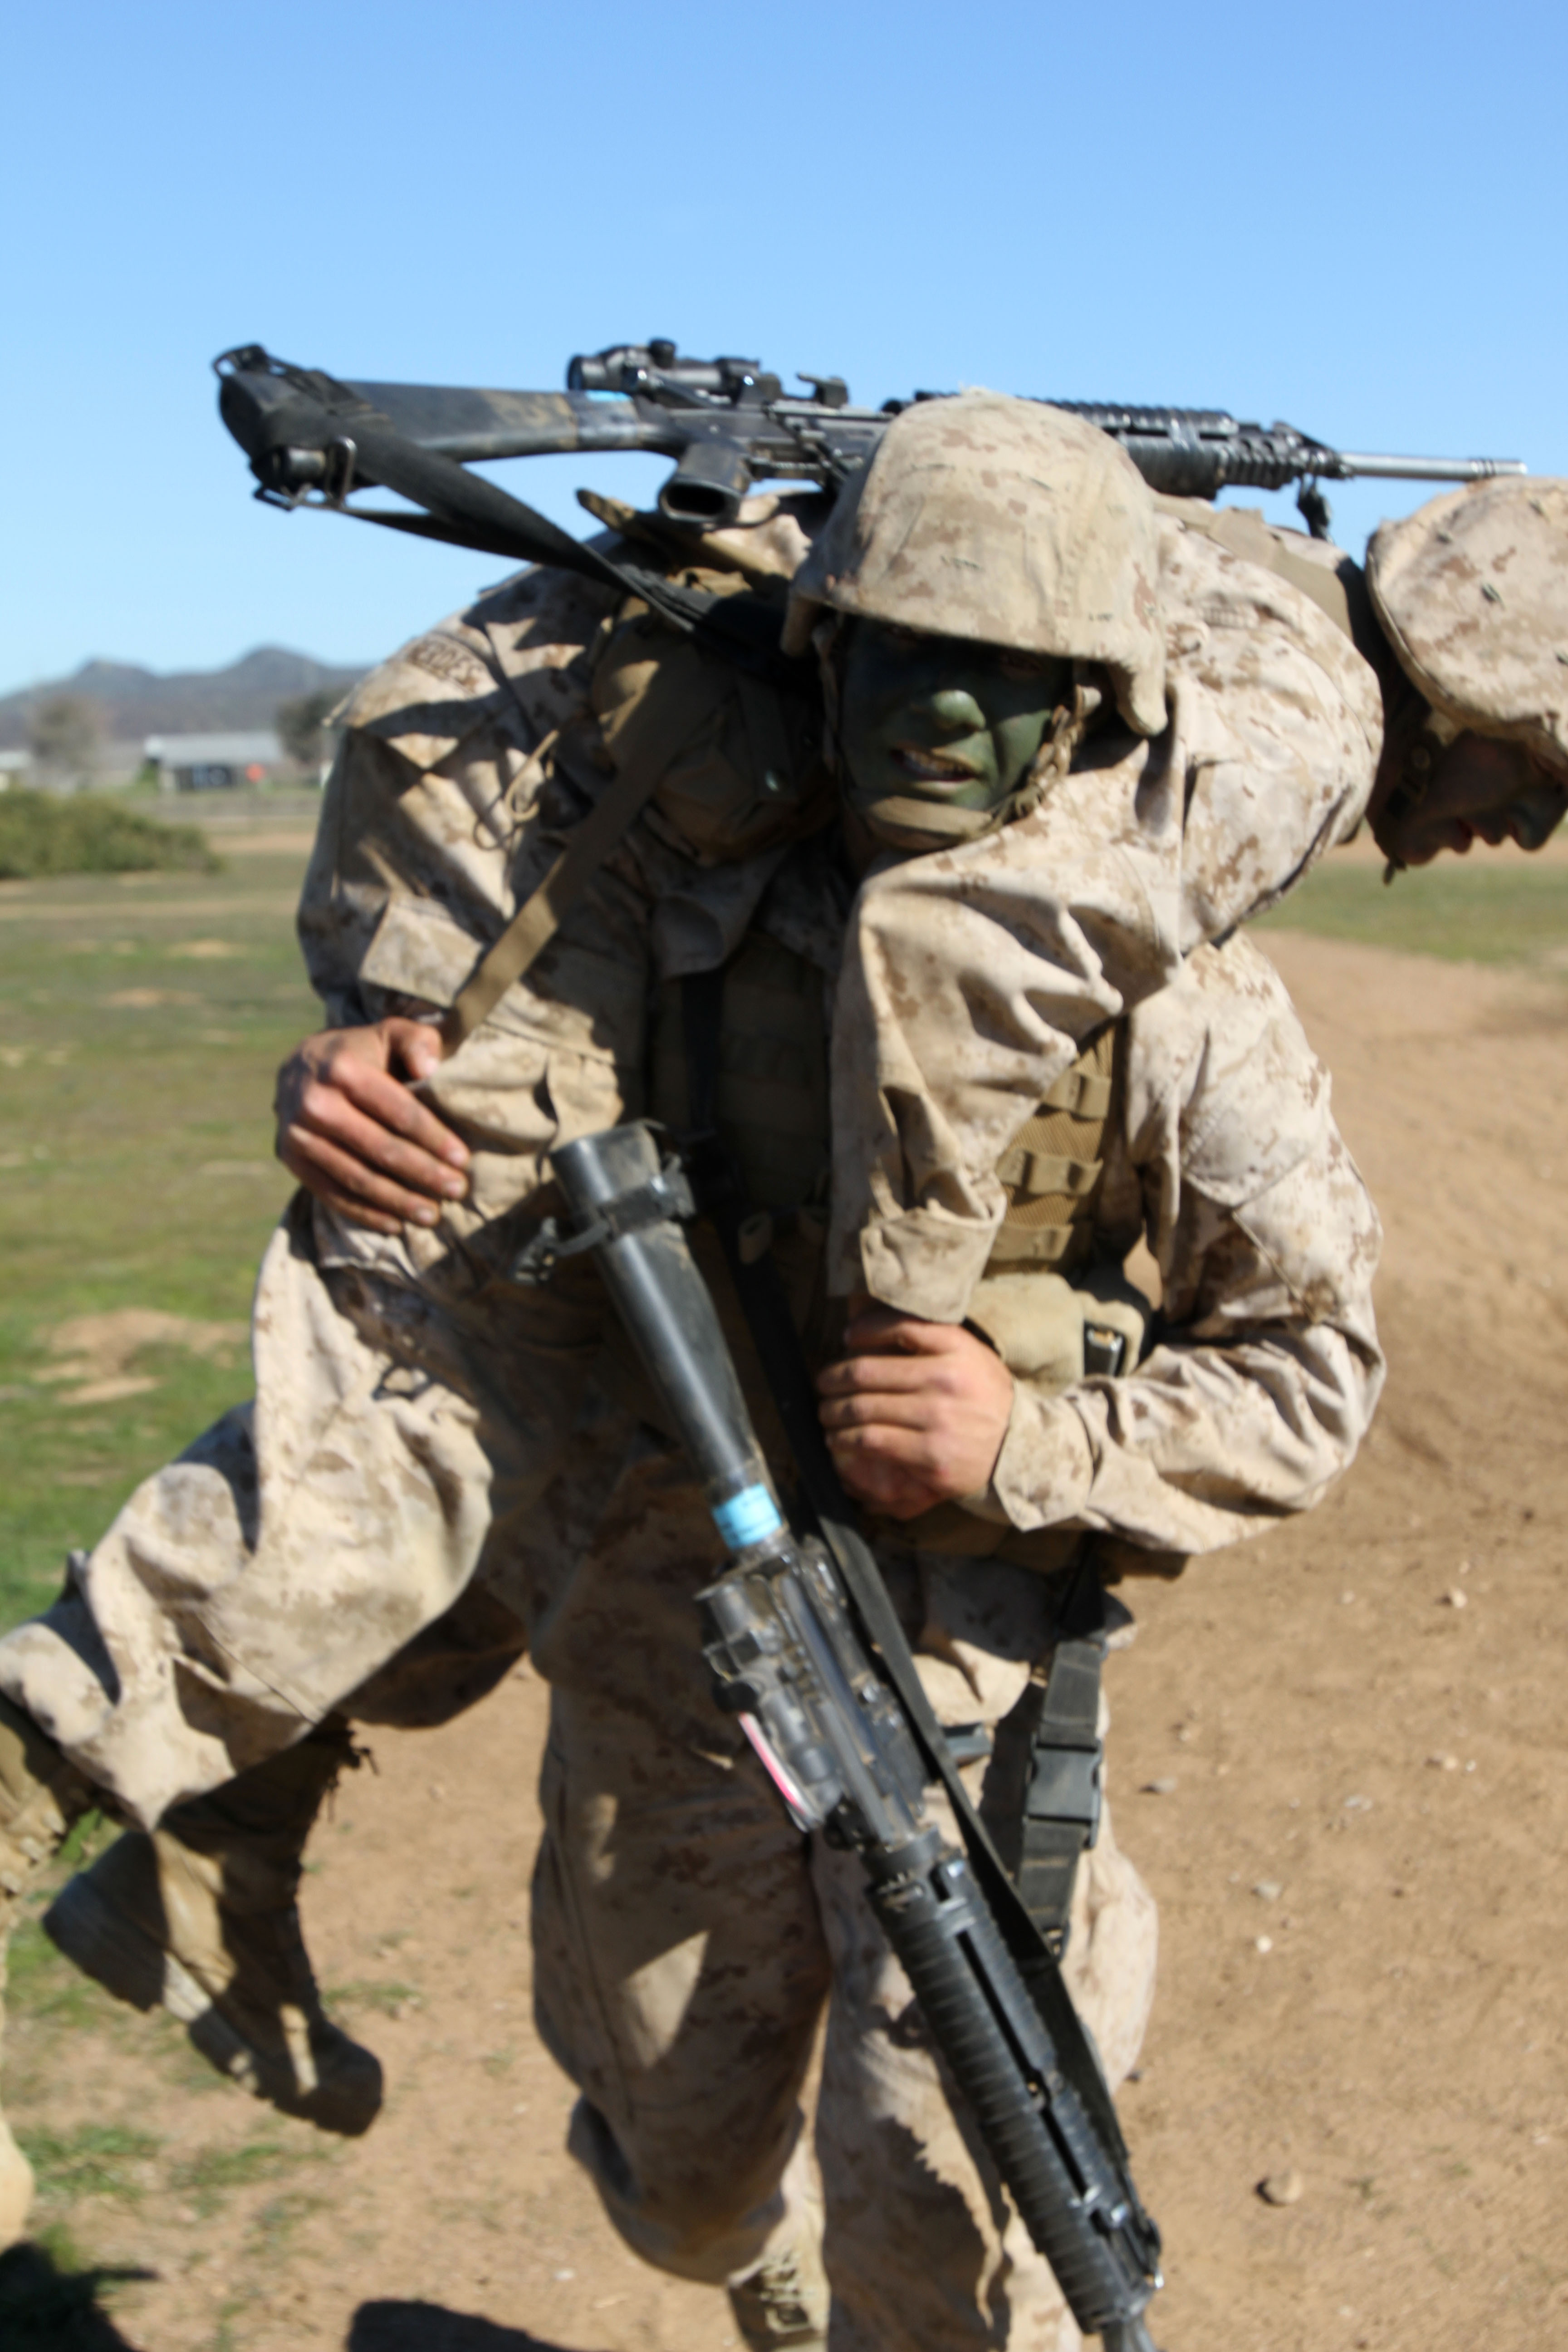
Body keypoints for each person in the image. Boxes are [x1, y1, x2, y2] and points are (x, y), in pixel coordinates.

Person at [0, 397, 1391, 2348]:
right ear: (824, 653)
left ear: (1092, 717)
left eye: (1014, 687)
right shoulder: (647, 904)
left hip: (973, 1679)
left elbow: (1316, 1361)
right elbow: (448, 1176)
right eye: (909, 658)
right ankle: (756, 2281)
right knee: (682, 2176)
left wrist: (1033, 1445)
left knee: (966, 2200)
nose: (948, 723)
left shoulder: (1170, 997)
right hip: (677, 1633)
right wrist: (347, 1082)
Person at [830, 468, 1568, 1326]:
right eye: (1541, 770)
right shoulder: (1308, 735)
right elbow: (961, 933)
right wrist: (899, 1316)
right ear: (1459, 690)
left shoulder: (1272, 582)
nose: (1531, 828)